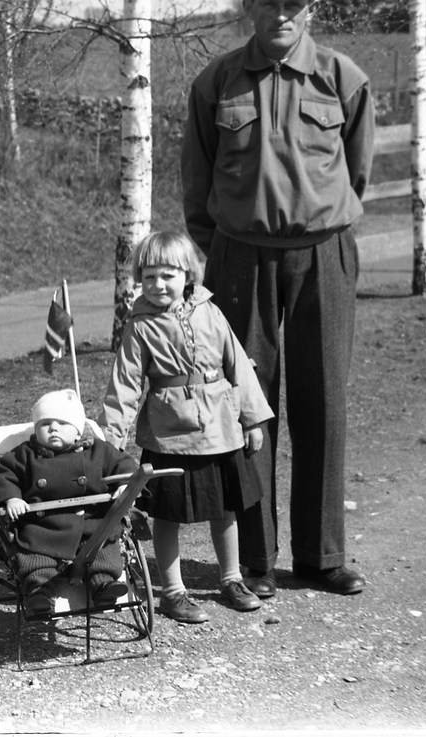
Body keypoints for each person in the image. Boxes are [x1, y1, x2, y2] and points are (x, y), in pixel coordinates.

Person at [181, 0, 374, 598]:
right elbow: (197, 178)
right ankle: (254, 558)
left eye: (294, 4)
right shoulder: (216, 81)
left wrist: (327, 225)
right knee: (245, 403)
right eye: (269, 3)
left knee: (324, 399)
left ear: (310, 10)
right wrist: (217, 250)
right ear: (250, 7)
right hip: (240, 255)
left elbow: (358, 171)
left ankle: (322, 555)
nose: (281, 15)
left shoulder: (342, 77)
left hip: (323, 253)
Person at [102, 231, 275, 624]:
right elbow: (124, 388)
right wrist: (110, 445)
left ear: (187, 275)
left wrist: (252, 420)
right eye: (149, 277)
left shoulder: (210, 311)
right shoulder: (140, 326)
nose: (158, 284)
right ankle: (173, 591)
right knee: (167, 515)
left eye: (168, 275)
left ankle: (231, 579)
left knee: (225, 509)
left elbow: (238, 365)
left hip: (220, 429)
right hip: (170, 437)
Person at [0, 389, 140, 615]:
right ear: (36, 429)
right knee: (35, 558)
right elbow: (4, 476)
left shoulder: (98, 451)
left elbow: (124, 465)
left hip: (91, 522)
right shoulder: (24, 455)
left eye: (62, 423)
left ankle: (104, 584)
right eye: (45, 424)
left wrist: (124, 484)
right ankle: (40, 592)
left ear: (78, 430)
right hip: (43, 526)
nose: (53, 428)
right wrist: (12, 498)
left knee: (103, 550)